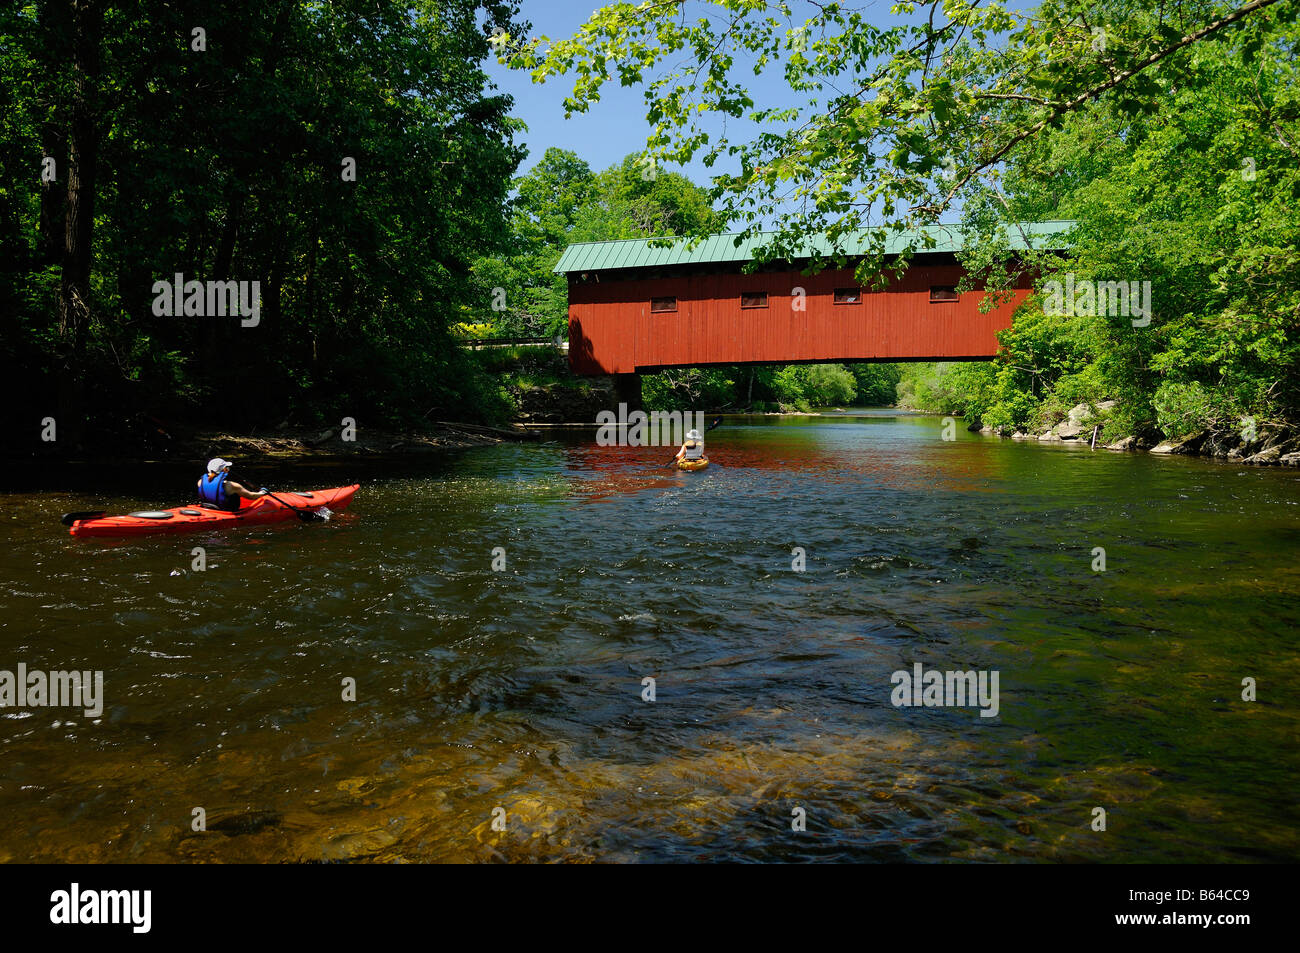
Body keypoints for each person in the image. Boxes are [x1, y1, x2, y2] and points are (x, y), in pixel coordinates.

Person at [197, 458, 269, 511]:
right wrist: (262, 493)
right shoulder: (232, 486)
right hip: (226, 512)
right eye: (227, 467)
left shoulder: (200, 482)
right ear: (225, 469)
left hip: (209, 509)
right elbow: (252, 496)